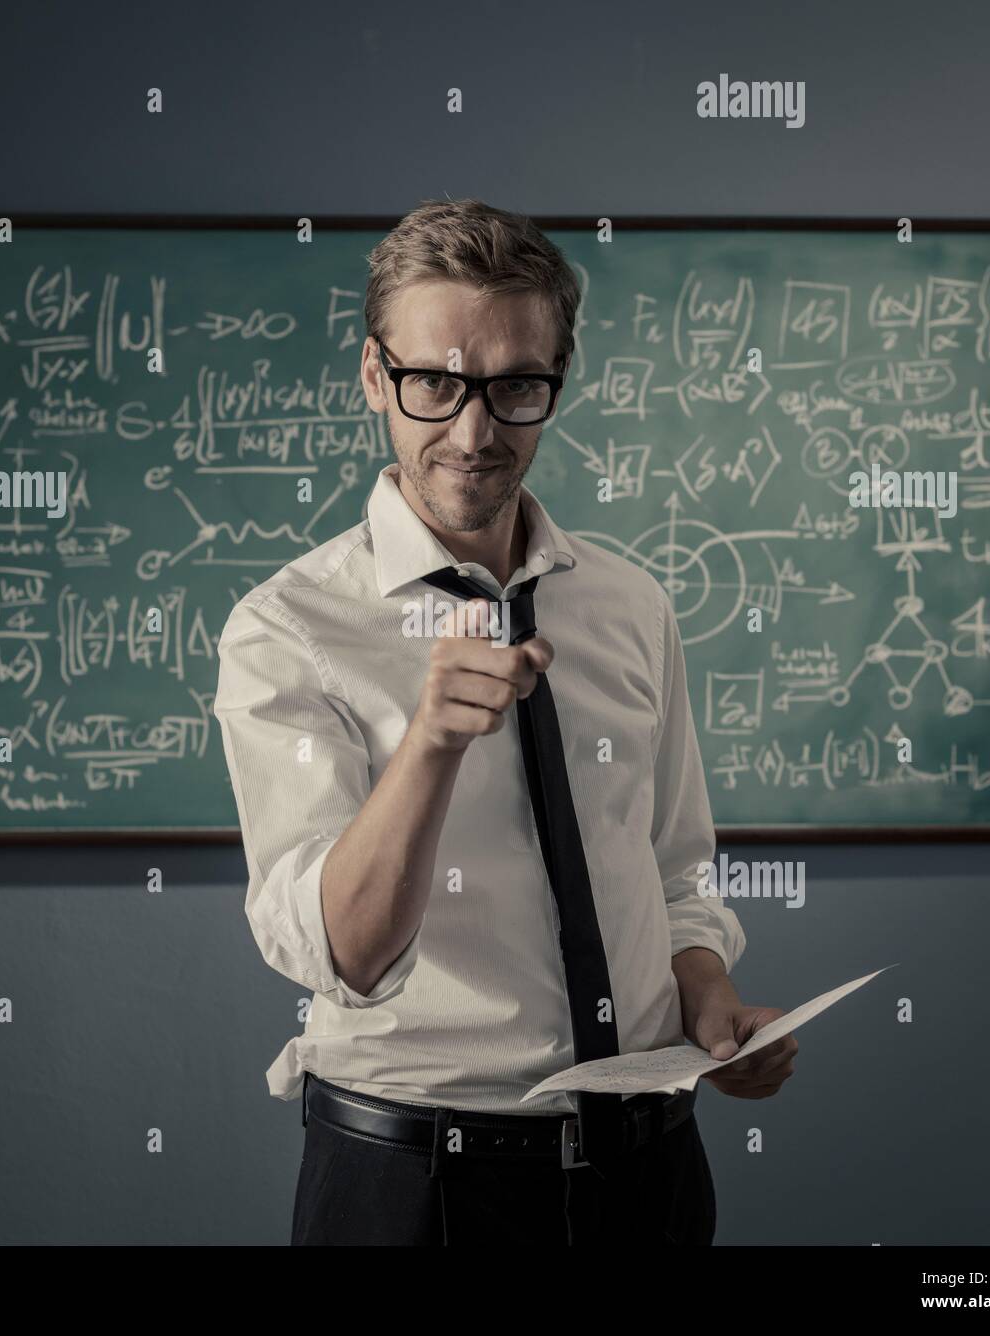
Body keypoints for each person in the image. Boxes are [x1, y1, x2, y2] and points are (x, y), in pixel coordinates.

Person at [214, 198, 797, 1246]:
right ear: (372, 378)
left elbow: (672, 880)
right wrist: (430, 745)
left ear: (555, 386)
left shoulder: (630, 606)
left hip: (648, 1167)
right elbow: (341, 955)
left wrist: (709, 1007)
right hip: (416, 1189)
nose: (474, 433)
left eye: (516, 387)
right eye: (433, 382)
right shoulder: (286, 630)